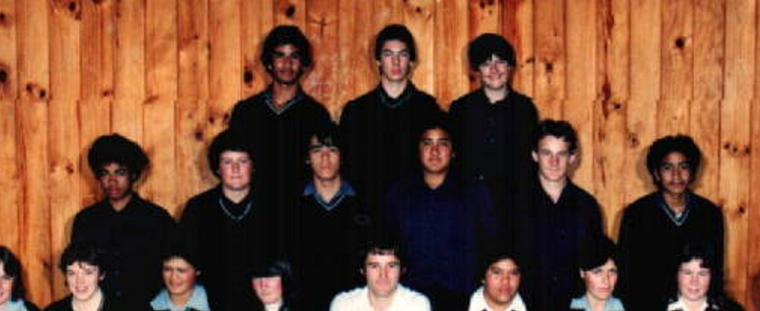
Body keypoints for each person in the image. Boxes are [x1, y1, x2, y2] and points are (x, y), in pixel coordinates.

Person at [382, 116, 500, 311]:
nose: (434, 151)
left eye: (442, 144)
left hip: (460, 299)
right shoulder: (399, 193)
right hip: (408, 298)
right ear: (418, 150)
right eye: (427, 143)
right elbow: (386, 245)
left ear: (453, 151)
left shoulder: (474, 193)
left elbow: (490, 245)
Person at [339, 24, 444, 224]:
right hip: (367, 215)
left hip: (419, 214)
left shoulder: (429, 109)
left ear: (411, 61)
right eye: (388, 54)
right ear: (378, 60)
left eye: (402, 54)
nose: (396, 61)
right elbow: (344, 168)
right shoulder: (356, 111)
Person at [228, 25, 332, 219]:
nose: (287, 64)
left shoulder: (316, 114)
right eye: (280, 56)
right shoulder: (246, 111)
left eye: (294, 56)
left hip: (302, 214)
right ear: (269, 63)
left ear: (303, 64)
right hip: (252, 213)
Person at [616, 135, 725, 311]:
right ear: (656, 173)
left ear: (692, 171)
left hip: (696, 309)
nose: (676, 175)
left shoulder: (709, 214)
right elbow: (626, 273)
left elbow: (715, 269)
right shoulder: (637, 214)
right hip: (648, 310)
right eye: (668, 168)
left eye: (683, 167)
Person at [177, 130, 278, 311]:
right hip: (209, 309)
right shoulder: (198, 208)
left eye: (242, 161)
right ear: (217, 168)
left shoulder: (272, 208)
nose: (236, 169)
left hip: (263, 309)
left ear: (253, 166)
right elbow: (184, 262)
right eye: (227, 162)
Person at [71, 134, 176, 309]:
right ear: (98, 177)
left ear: (133, 175)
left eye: (120, 172)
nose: (112, 180)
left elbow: (174, 269)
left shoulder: (157, 219)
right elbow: (77, 270)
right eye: (105, 173)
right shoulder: (86, 221)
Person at [514, 119, 605, 311]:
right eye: (547, 153)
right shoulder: (514, 204)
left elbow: (595, 263)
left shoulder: (587, 206)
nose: (554, 162)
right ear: (535, 155)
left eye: (561, 154)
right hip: (525, 310)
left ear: (572, 157)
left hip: (574, 310)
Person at [447, 33, 539, 224]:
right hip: (467, 208)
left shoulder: (525, 109)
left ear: (510, 66)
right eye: (486, 63)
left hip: (514, 209)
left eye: (500, 62)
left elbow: (530, 164)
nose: (494, 69)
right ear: (477, 69)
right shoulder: (460, 109)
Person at [291, 120, 371, 311]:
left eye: (332, 149)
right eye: (317, 150)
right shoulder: (291, 207)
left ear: (342, 156)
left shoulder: (366, 206)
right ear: (307, 158)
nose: (325, 157)